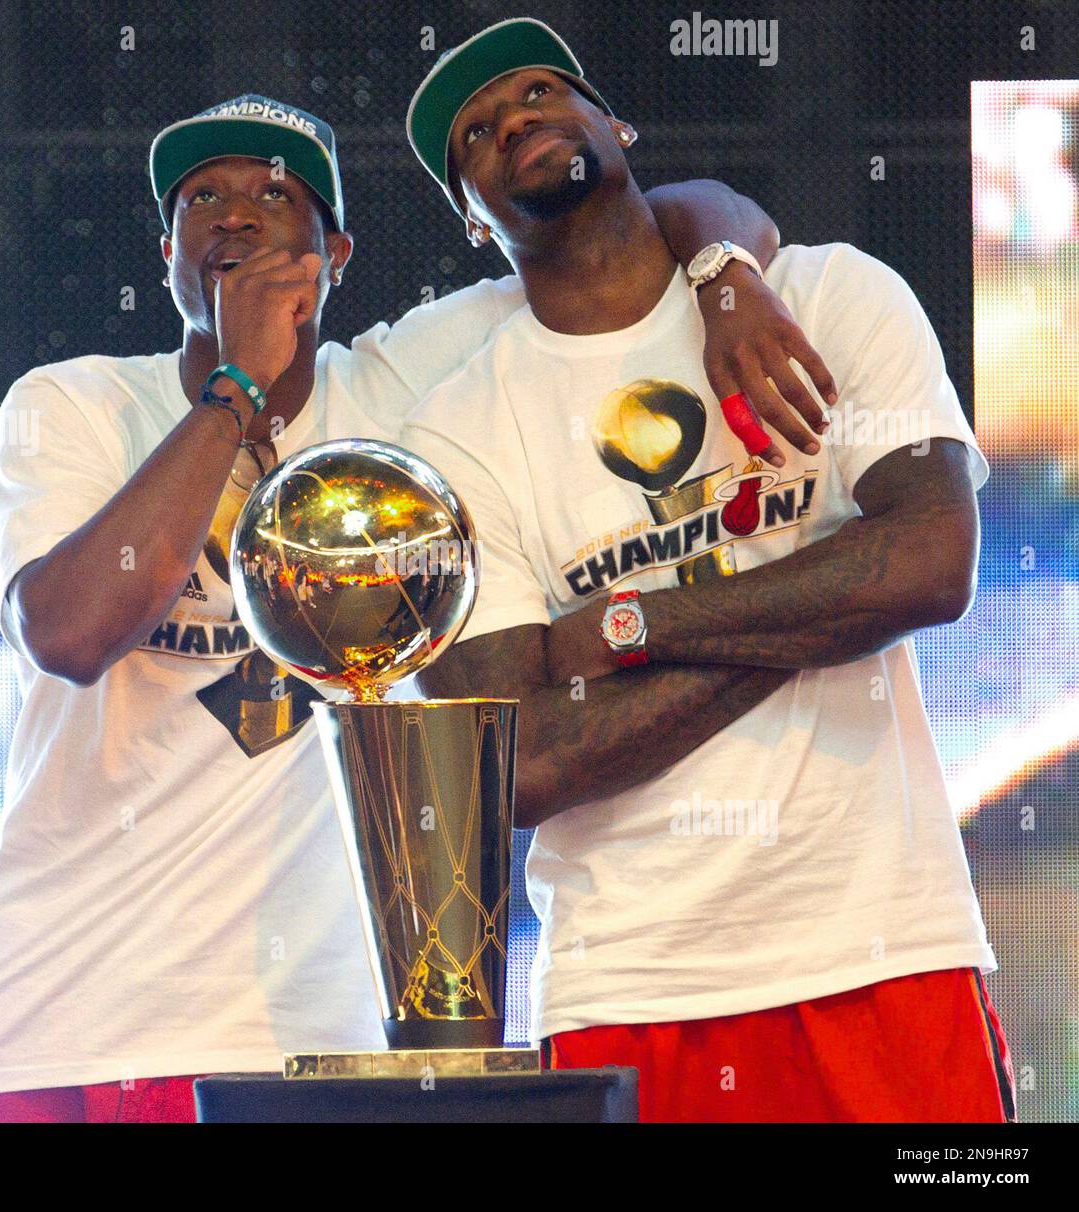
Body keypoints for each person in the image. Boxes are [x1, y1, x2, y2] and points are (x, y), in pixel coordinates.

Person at [0, 87, 828, 1122]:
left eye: (275, 192)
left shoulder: (400, 386)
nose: (232, 211)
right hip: (52, 1023)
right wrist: (236, 389)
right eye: (199, 198)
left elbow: (640, 226)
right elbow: (73, 634)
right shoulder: (76, 402)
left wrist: (726, 275)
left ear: (337, 253)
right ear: (167, 257)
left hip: (305, 1037)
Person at [400, 18, 1015, 1123]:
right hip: (632, 984)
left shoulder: (830, 295)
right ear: (470, 213)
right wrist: (826, 601)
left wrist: (639, 625)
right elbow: (516, 765)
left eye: (543, 92)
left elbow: (926, 567)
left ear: (615, 124)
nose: (516, 123)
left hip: (884, 946)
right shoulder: (453, 432)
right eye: (478, 136)